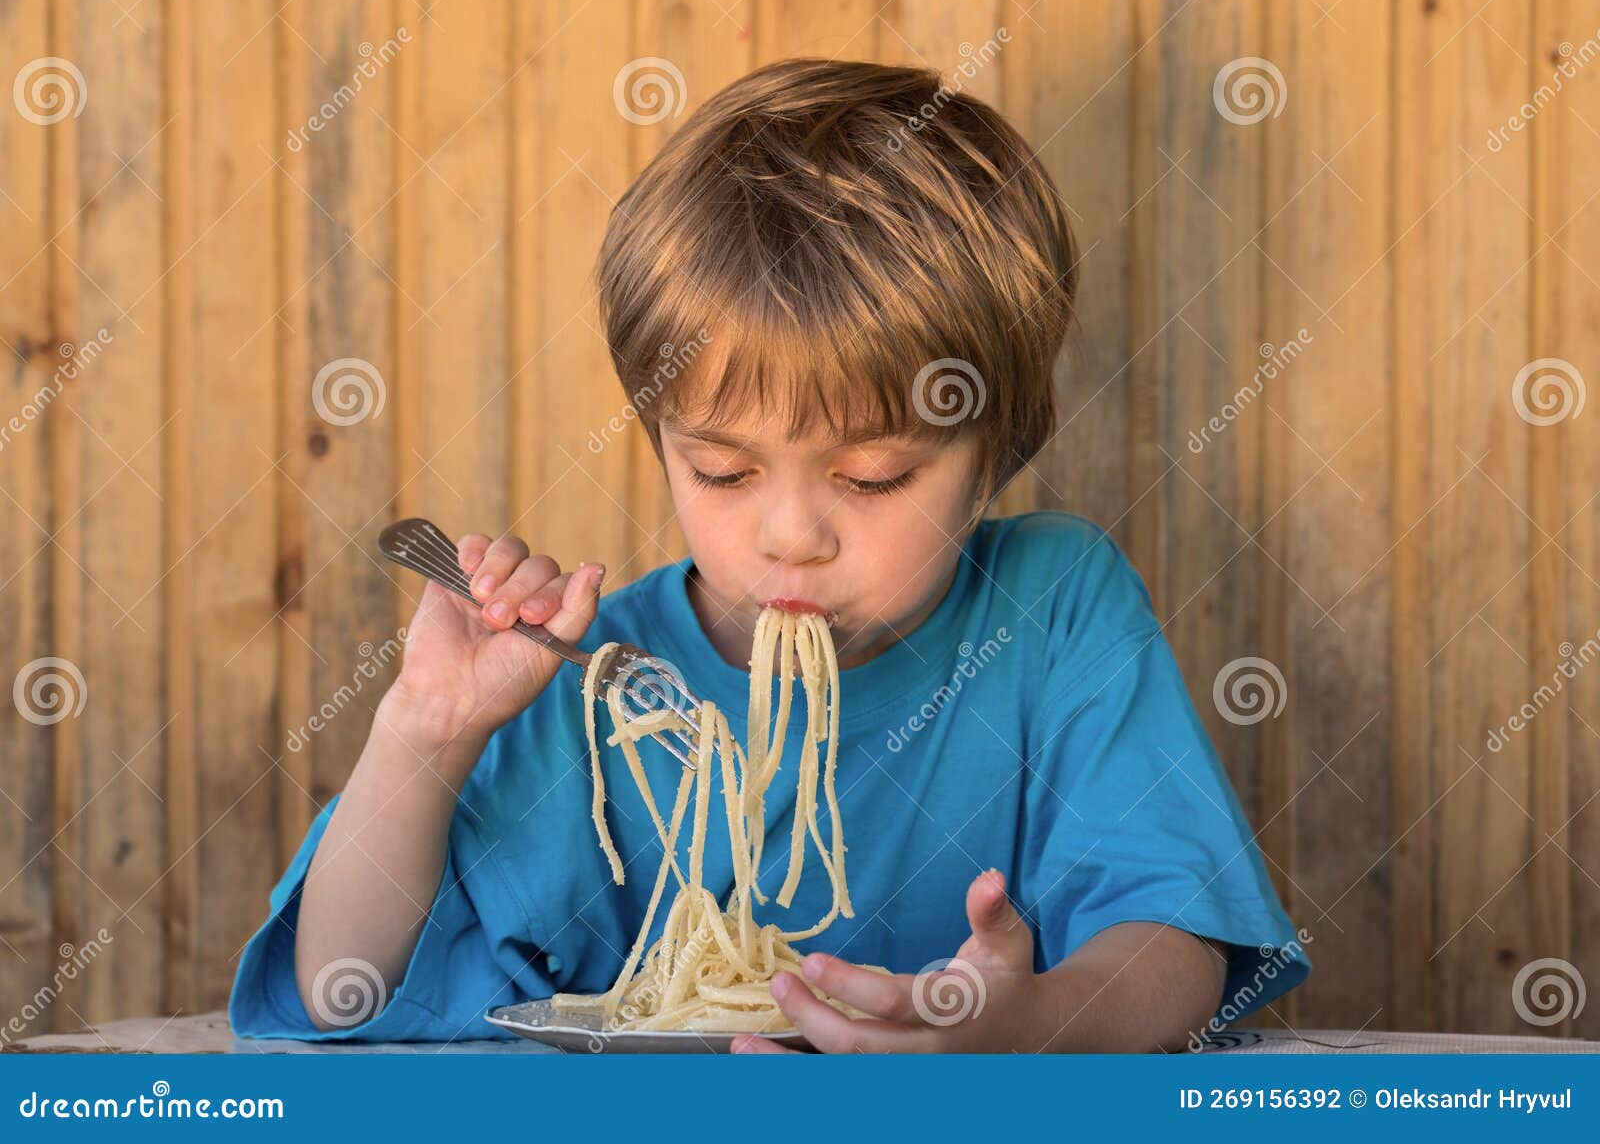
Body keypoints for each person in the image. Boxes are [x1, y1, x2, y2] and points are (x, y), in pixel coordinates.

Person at [231, 57, 1310, 1052]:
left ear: (995, 454)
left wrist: (1027, 1028)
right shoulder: (592, 680)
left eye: (874, 476)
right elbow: (343, 986)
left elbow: (1176, 944)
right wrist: (428, 727)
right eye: (722, 471)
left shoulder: (1053, 606)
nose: (790, 536)